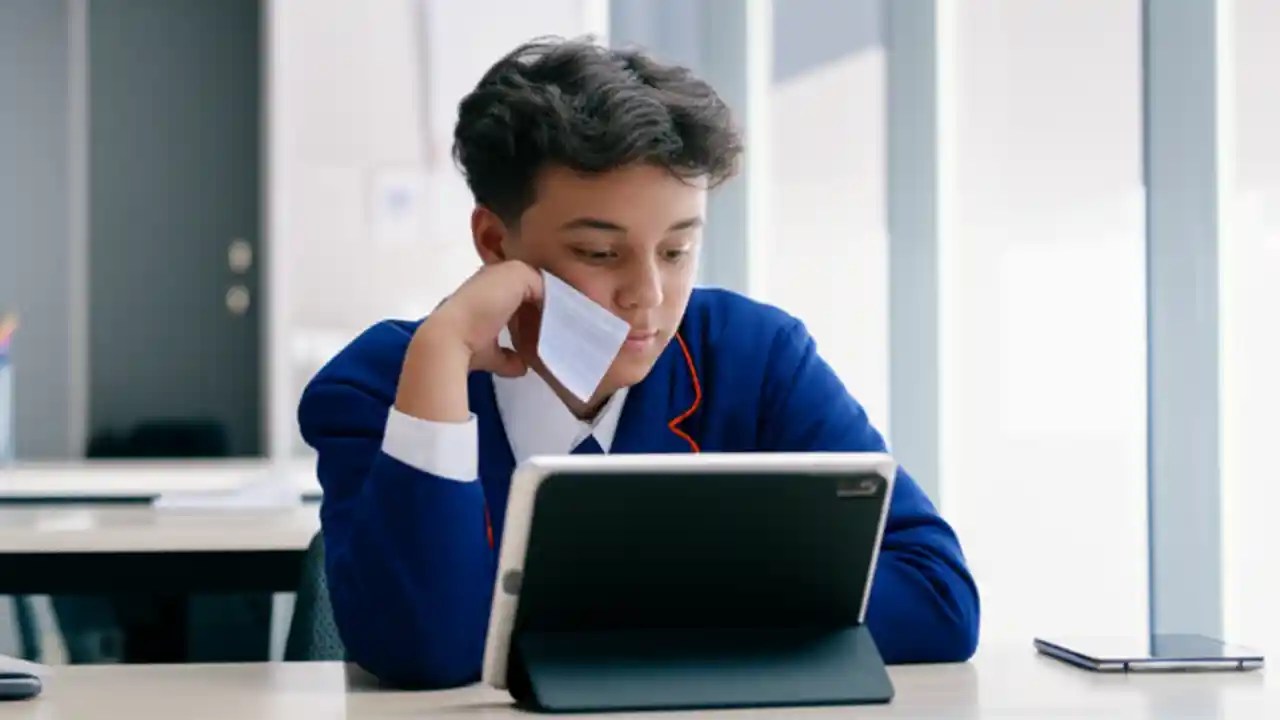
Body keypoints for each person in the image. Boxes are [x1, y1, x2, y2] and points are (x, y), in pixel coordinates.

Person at [299, 37, 980, 689]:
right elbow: (425, 652)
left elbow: (938, 600)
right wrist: (444, 354)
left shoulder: (755, 356)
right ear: (494, 242)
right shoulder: (384, 383)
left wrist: (620, 612)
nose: (647, 296)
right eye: (600, 254)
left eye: (677, 251)